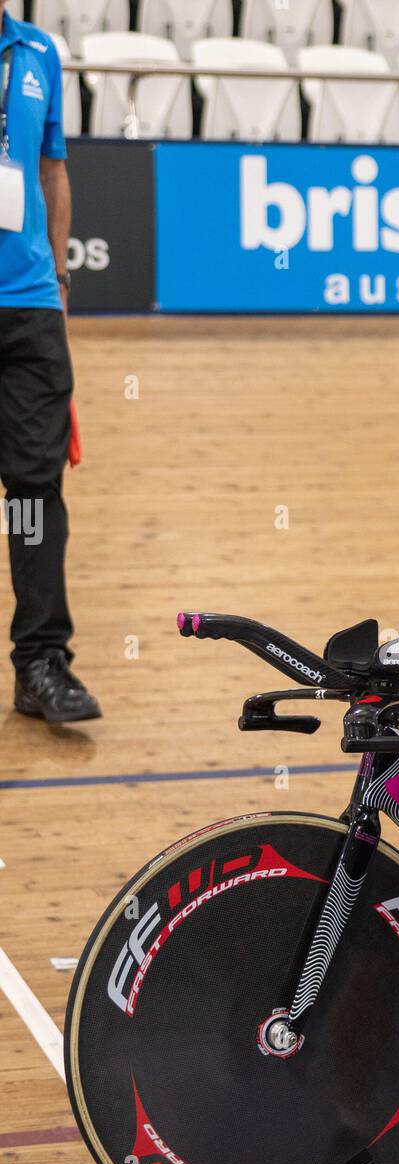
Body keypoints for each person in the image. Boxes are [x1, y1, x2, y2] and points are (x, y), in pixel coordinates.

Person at [0, 0, 100, 723]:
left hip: (32, 305)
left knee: (34, 490)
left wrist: (59, 284)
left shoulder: (37, 52)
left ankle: (40, 661)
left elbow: (51, 171)